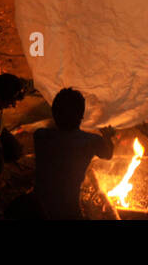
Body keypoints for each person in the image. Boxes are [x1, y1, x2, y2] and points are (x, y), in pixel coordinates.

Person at [31, 88, 115, 219]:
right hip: (68, 211)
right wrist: (108, 137)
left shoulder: (40, 136)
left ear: (54, 113)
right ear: (82, 116)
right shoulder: (91, 141)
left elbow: (58, 135)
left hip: (38, 208)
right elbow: (108, 154)